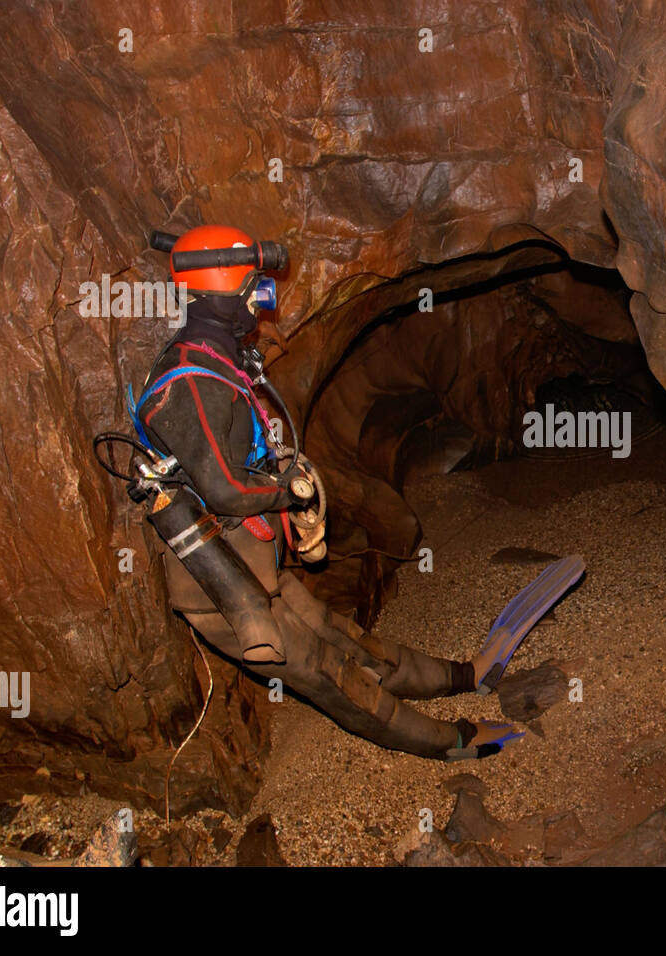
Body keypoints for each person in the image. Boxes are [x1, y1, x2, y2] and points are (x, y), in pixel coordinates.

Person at [129, 225, 582, 760]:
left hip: (253, 564)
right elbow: (225, 491)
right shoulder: (190, 379)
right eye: (257, 289)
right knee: (331, 675)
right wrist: (288, 495)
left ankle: (468, 675)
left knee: (348, 640)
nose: (263, 302)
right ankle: (449, 740)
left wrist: (282, 479)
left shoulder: (220, 363)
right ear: (228, 292)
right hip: (221, 589)